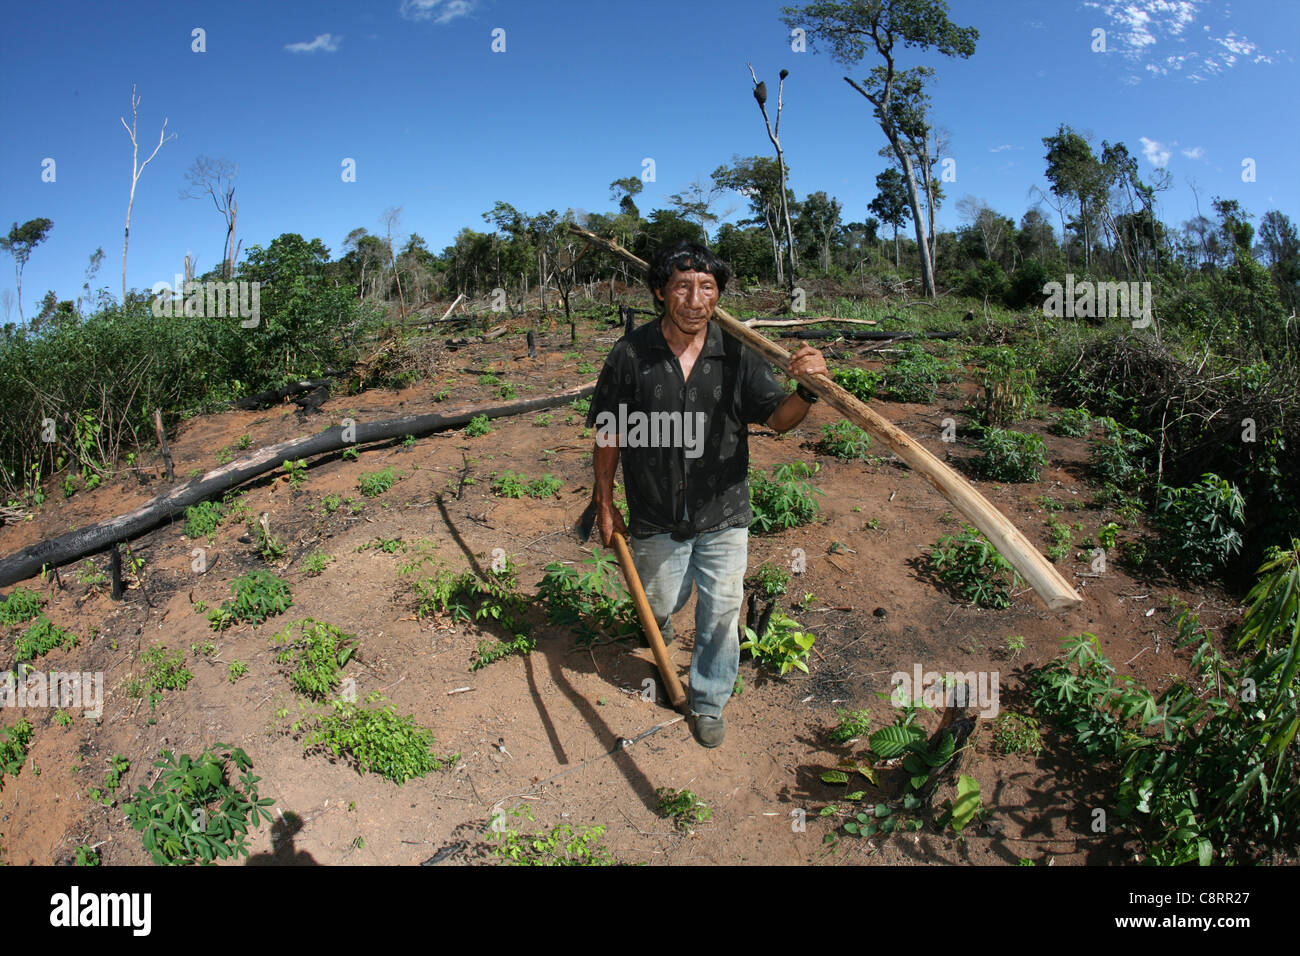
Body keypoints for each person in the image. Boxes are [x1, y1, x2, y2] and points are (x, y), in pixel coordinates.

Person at [586, 240, 827, 747]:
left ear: (717, 296)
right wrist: (605, 504)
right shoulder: (631, 355)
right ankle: (662, 619)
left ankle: (709, 699)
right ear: (660, 293)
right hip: (656, 511)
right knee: (659, 600)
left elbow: (780, 421)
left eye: (707, 288)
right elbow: (608, 432)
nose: (695, 299)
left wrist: (807, 389)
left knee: (721, 611)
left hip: (724, 509)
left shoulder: (737, 354)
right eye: (682, 287)